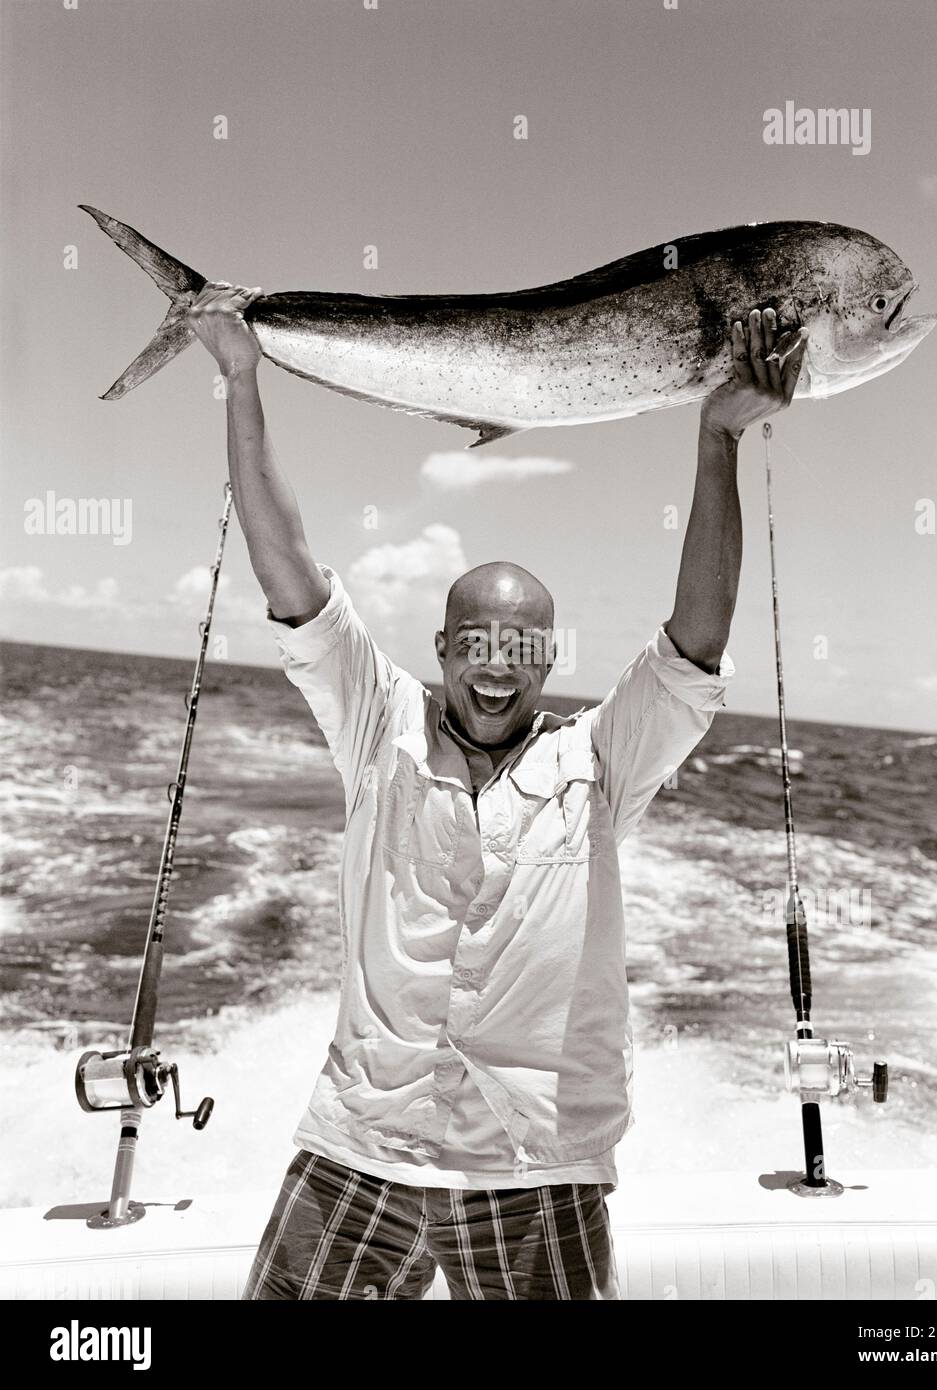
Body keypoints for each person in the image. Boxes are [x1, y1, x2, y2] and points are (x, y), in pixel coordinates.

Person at [187, 282, 807, 1300]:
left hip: (537, 1165)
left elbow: (693, 644)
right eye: (474, 641)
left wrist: (716, 437)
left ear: (548, 660)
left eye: (520, 647)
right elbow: (288, 566)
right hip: (363, 1143)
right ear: (440, 647)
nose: (495, 665)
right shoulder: (373, 723)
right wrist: (242, 376)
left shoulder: (602, 762)